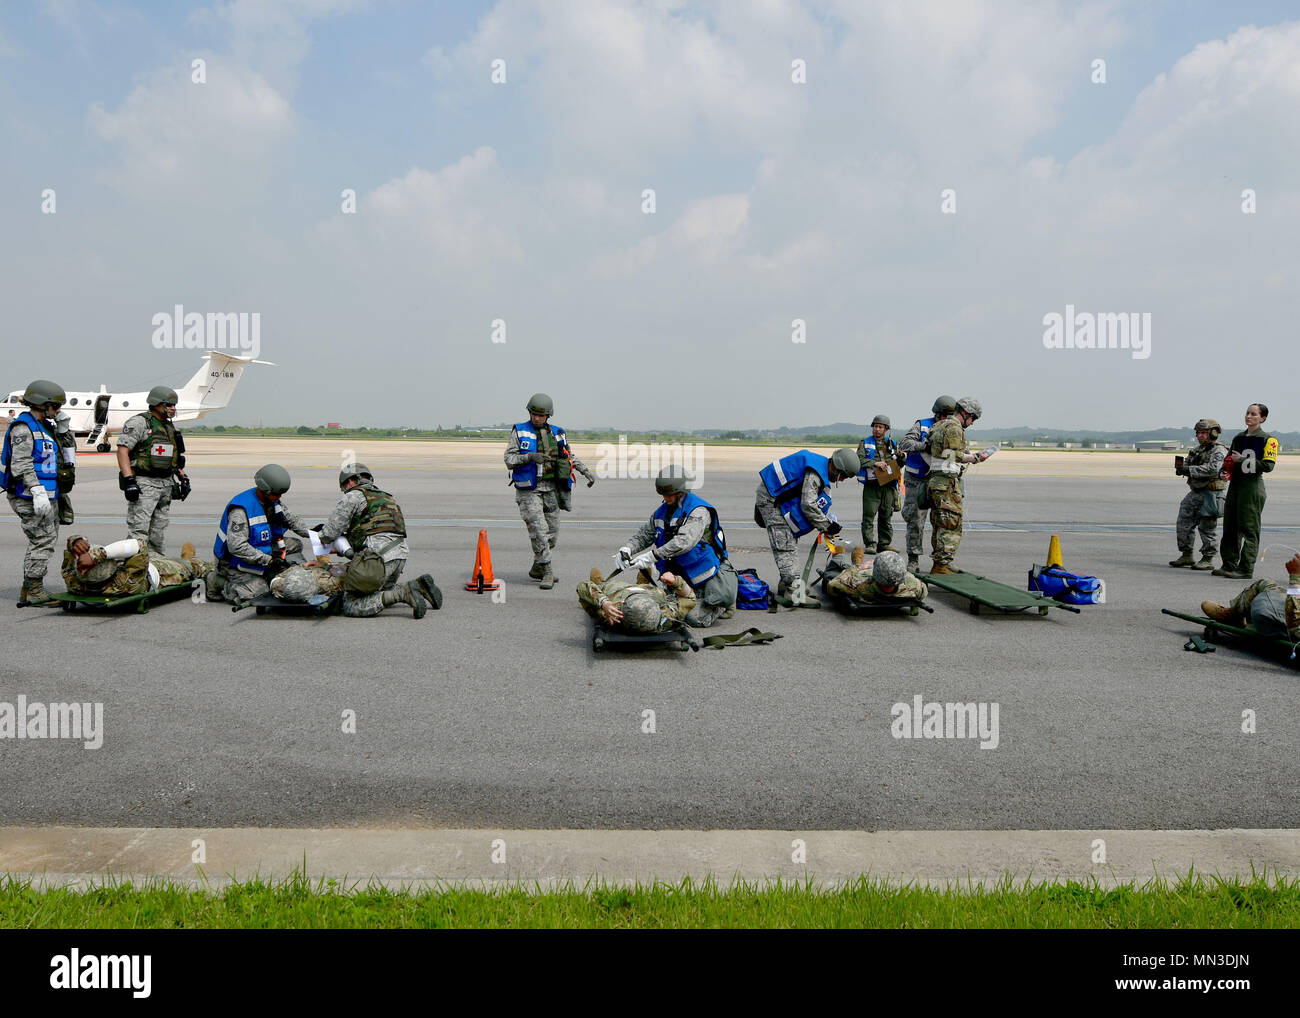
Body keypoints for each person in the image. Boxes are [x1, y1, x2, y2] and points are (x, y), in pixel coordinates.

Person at [316, 462, 441, 619]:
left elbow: (329, 533)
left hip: (378, 561)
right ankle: (419, 586)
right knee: (379, 590)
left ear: (350, 481)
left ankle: (403, 594)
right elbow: (372, 530)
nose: (345, 490)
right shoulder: (387, 497)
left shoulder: (352, 496)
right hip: (399, 557)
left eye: (344, 487)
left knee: (351, 603)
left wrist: (320, 537)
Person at [617, 465, 737, 628]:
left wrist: (653, 555)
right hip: (678, 578)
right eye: (663, 494)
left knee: (691, 618)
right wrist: (628, 549)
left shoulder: (698, 511)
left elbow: (684, 542)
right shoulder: (662, 512)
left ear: (682, 491)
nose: (666, 498)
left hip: (703, 578)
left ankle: (720, 601)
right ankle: (702, 597)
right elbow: (645, 534)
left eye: (669, 494)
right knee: (660, 608)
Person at [503, 393, 593, 590]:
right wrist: (530, 457)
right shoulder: (520, 432)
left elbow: (569, 456)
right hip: (529, 490)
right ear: (529, 413)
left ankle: (538, 566)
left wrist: (585, 471)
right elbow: (509, 459)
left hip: (551, 489)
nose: (537, 418)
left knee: (553, 533)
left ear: (548, 416)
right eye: (534, 414)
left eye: (541, 415)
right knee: (539, 531)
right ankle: (548, 570)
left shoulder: (558, 433)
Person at [754, 447, 857, 606]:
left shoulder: (820, 467)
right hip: (771, 499)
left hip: (777, 496)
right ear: (836, 467)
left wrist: (825, 521)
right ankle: (793, 591)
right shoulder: (815, 473)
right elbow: (808, 504)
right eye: (843, 476)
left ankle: (786, 583)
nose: (842, 480)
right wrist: (826, 525)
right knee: (785, 543)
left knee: (789, 537)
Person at [208, 464, 312, 605]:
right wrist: (268, 560)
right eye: (276, 494)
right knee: (260, 592)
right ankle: (218, 581)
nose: (279, 497)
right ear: (265, 489)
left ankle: (281, 571)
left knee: (294, 544)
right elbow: (236, 547)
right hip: (232, 561)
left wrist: (316, 534)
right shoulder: (241, 510)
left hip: (260, 549)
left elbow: (291, 520)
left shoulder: (272, 501)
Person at [2, 380, 67, 605]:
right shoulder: (24, 428)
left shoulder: (46, 427)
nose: (58, 411)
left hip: (47, 495)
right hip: (29, 495)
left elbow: (64, 456)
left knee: (45, 538)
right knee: (43, 539)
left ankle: (29, 588)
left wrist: (64, 429)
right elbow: (20, 464)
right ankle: (34, 589)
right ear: (42, 404)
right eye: (55, 407)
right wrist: (37, 490)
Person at [116, 385, 190, 555]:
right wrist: (129, 480)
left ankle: (156, 568)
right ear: (157, 404)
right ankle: (135, 569)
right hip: (145, 483)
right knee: (139, 531)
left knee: (158, 533)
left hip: (166, 484)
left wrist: (183, 478)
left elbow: (173, 458)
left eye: (173, 405)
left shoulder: (168, 427)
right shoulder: (139, 423)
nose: (173, 408)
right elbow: (122, 450)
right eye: (169, 405)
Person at [925, 396, 991, 574]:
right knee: (952, 523)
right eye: (973, 418)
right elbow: (950, 453)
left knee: (940, 523)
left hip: (935, 480)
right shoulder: (954, 427)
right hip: (946, 482)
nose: (972, 423)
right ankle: (941, 565)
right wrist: (975, 458)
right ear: (966, 413)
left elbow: (929, 447)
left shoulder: (938, 425)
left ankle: (939, 563)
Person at [1215, 403, 1279, 579]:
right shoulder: (1238, 437)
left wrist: (1241, 460)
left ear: (1262, 418)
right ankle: (1228, 564)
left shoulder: (1268, 440)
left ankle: (1245, 569)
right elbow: (1229, 459)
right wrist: (1224, 471)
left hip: (1252, 488)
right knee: (1230, 527)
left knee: (1249, 529)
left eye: (1253, 414)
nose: (1249, 416)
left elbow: (1268, 466)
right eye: (1247, 413)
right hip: (1235, 486)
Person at [898, 396, 956, 572]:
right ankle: (913, 559)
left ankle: (941, 561)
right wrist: (925, 446)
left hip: (939, 480)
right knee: (916, 521)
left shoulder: (953, 429)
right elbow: (905, 443)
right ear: (936, 414)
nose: (946, 419)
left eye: (949, 416)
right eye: (943, 415)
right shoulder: (921, 425)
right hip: (917, 480)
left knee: (943, 522)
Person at [61, 535, 210, 597]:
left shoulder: (75, 583)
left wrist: (77, 541)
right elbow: (139, 544)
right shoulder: (124, 583)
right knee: (195, 567)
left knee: (161, 559)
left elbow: (69, 553)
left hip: (143, 565)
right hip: (163, 573)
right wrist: (98, 555)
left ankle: (187, 558)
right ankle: (189, 559)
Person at [1170, 419, 1228, 570]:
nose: (1200, 436)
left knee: (1207, 527)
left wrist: (1189, 470)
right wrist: (1182, 468)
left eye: (1203, 433)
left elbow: (1213, 469)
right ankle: (1187, 554)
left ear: (1213, 433)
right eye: (1198, 433)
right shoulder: (1197, 450)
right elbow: (1189, 464)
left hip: (1211, 493)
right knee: (1184, 521)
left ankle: (1208, 558)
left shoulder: (1219, 450)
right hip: (1196, 492)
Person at [1200, 553, 1300, 642]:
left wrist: (1295, 578)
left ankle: (1237, 616)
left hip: (1291, 624)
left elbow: (1295, 625)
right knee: (1265, 583)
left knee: (1262, 608)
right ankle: (1235, 613)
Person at [577, 566, 696, 634]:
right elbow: (690, 598)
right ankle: (642, 583)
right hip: (648, 591)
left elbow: (583, 586)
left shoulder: (613, 614)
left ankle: (600, 583)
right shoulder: (663, 617)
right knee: (647, 570)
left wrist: (604, 603)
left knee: (595, 577)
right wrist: (676, 581)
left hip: (617, 591)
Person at [856, 414, 905, 553]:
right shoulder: (865, 443)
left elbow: (898, 465)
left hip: (888, 486)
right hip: (872, 486)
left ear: (886, 429)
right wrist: (874, 463)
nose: (877, 429)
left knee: (886, 516)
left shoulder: (893, 444)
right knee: (869, 516)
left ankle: (884, 544)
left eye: (880, 427)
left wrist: (902, 458)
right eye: (875, 426)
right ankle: (870, 544)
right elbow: (857, 460)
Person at [826, 547, 929, 605]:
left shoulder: (858, 586)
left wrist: (855, 568)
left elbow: (833, 585)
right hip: (880, 575)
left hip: (863, 573)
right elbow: (922, 589)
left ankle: (851, 559)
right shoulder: (914, 586)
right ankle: (858, 561)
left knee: (843, 565)